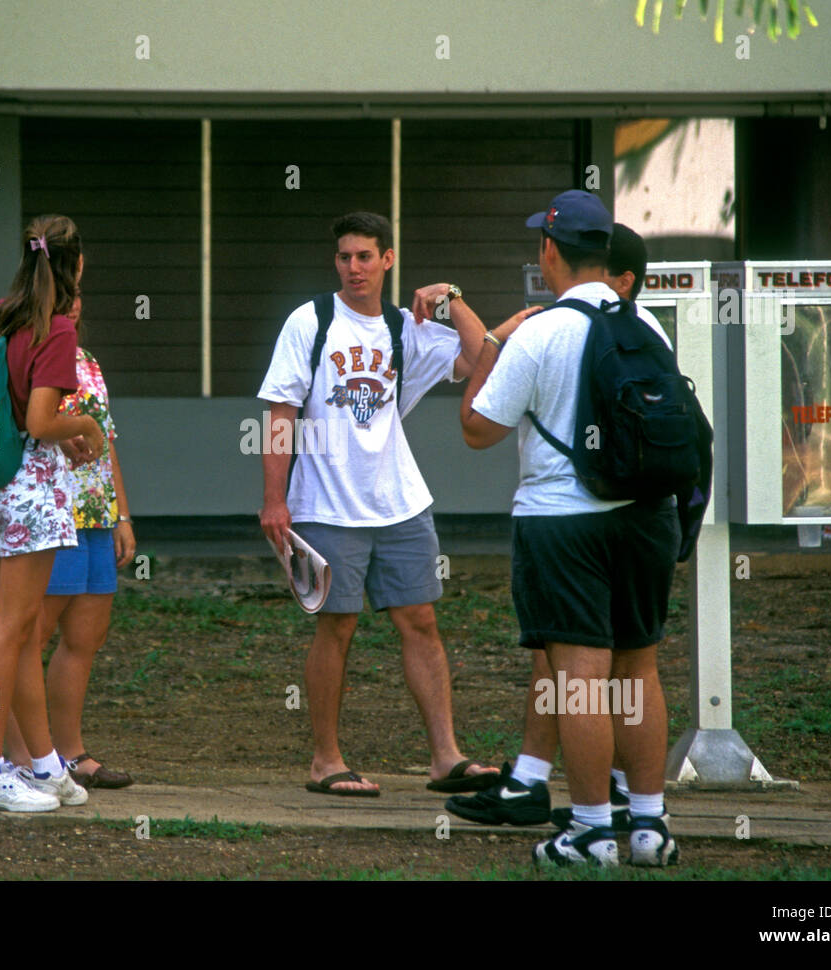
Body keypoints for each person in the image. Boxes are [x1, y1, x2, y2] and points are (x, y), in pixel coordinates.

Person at [455, 192, 681, 867]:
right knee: (638, 669)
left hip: (563, 524)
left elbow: (476, 429)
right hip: (647, 518)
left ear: (550, 251)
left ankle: (587, 831)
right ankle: (648, 826)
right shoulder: (647, 327)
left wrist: (493, 342)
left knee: (580, 678)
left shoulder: (541, 332)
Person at [257, 211, 505, 797]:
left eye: (365, 256)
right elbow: (279, 411)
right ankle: (326, 760)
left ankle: (445, 757)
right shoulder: (310, 321)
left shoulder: (405, 326)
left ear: (388, 260)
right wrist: (273, 499)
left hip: (399, 500)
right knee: (336, 627)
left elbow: (482, 360)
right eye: (344, 257)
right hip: (324, 502)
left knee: (421, 621)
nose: (354, 268)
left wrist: (452, 300)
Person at [0, 214, 106, 813]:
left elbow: (7, 402)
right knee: (8, 631)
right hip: (32, 489)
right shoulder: (58, 328)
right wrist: (87, 427)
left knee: (19, 629)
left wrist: (57, 430)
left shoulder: (1, 314)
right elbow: (43, 420)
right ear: (76, 265)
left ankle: (44, 765)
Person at [3, 288, 137, 792]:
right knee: (30, 637)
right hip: (50, 515)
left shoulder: (88, 361)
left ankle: (70, 752)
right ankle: (20, 755)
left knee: (85, 637)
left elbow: (107, 443)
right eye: (64, 295)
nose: (75, 304)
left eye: (79, 295)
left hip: (97, 514)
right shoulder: (29, 352)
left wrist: (122, 513)